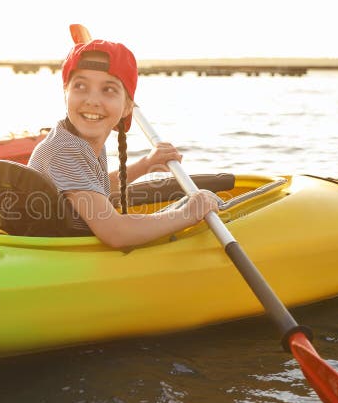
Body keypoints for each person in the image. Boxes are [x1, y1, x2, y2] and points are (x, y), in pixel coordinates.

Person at [28, 38, 220, 248]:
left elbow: (97, 189)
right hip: (62, 261)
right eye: (80, 86)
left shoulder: (79, 138)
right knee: (206, 202)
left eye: (108, 89)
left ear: (128, 107)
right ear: (66, 94)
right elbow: (116, 233)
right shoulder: (64, 150)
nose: (92, 100)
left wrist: (146, 165)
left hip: (70, 249)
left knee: (203, 201)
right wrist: (188, 214)